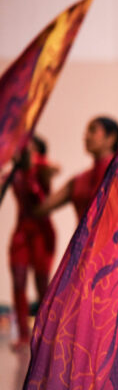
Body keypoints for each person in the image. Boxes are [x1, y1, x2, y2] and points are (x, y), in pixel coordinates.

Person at [3, 136, 57, 351]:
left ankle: (45, 333)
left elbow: (54, 169)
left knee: (41, 283)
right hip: (21, 232)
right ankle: (24, 335)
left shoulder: (42, 168)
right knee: (18, 281)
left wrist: (32, 162)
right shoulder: (13, 174)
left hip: (42, 233)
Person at [36, 116, 118, 219]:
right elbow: (40, 209)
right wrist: (39, 173)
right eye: (86, 132)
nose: (86, 136)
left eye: (93, 130)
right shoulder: (79, 180)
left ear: (111, 137)